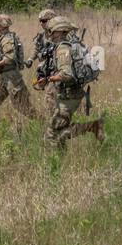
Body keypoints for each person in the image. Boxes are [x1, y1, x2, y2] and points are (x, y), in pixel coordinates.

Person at [41, 16, 104, 147]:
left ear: (60, 31)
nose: (49, 34)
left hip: (69, 96)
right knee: (60, 131)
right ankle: (92, 127)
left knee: (51, 135)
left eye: (51, 31)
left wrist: (49, 79)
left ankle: (93, 126)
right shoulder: (64, 46)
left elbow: (66, 74)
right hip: (68, 94)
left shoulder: (63, 48)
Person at [0, 13, 39, 120]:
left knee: (22, 106)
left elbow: (9, 58)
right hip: (5, 77)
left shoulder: (7, 39)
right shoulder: (5, 38)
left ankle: (41, 123)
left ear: (1, 26)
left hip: (11, 78)